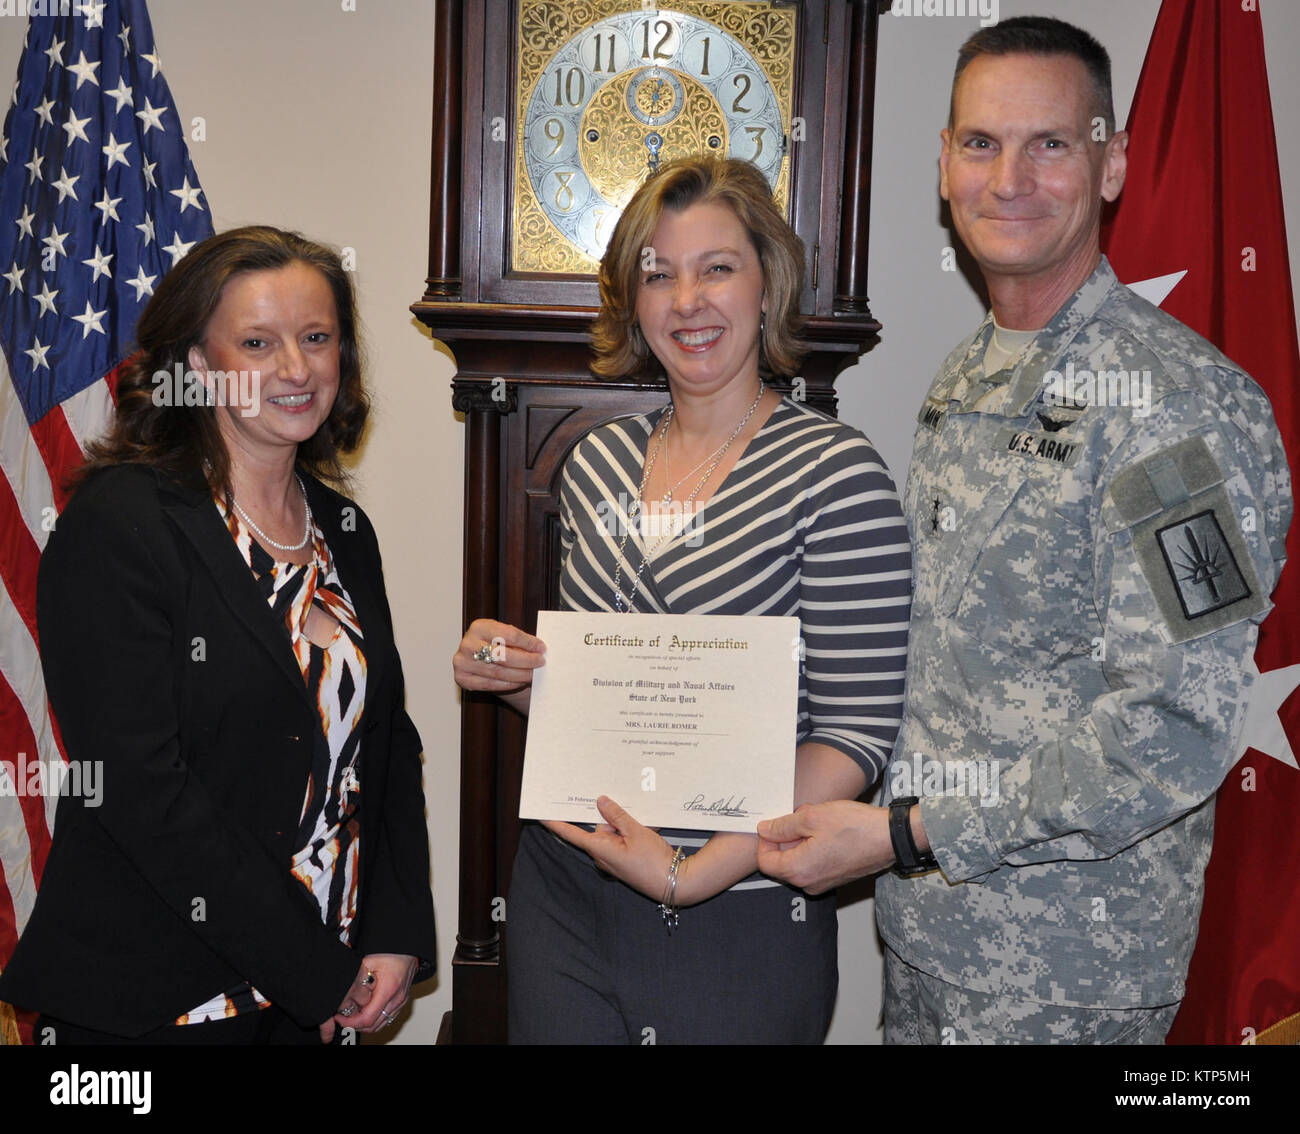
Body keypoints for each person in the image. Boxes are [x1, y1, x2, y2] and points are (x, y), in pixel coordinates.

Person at [757, 16, 1292, 1044]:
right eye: (979, 143)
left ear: (1111, 164)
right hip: (929, 945)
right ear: (944, 169)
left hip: (1067, 977)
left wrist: (907, 833)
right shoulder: (968, 375)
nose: (1009, 177)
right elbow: (947, 660)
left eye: (1049, 143)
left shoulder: (1170, 406)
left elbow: (1174, 725)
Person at [453, 156, 911, 1044]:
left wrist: (695, 870)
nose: (687, 300)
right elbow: (607, 701)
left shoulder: (837, 473)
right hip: (565, 887)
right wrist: (510, 675)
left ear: (768, 283)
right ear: (632, 300)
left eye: (717, 268)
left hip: (738, 912)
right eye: (658, 274)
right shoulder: (594, 464)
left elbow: (853, 738)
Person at [0, 226, 437, 1044]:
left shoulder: (345, 529)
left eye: (317, 338)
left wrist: (395, 931)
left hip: (314, 996)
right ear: (197, 368)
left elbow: (385, 740)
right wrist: (317, 971)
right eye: (257, 343)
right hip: (156, 1005)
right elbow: (142, 792)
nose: (296, 369)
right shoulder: (119, 524)